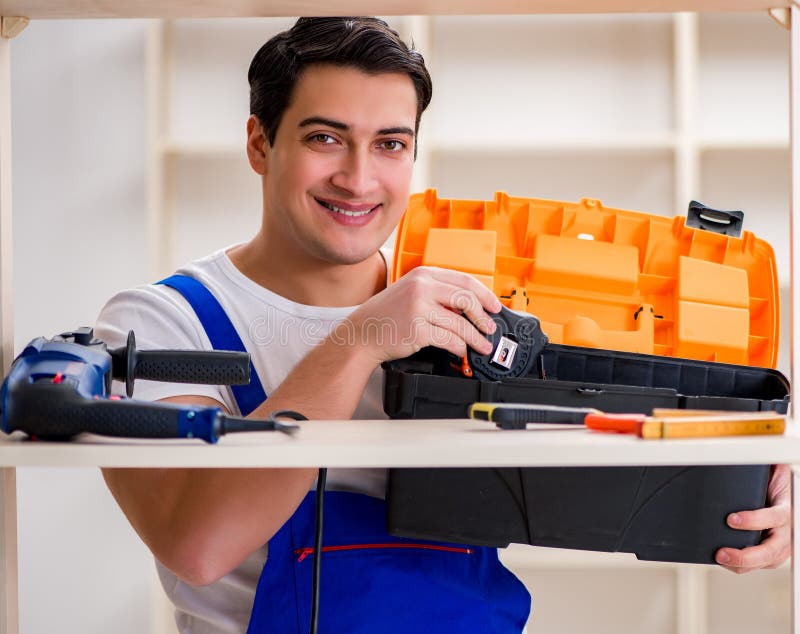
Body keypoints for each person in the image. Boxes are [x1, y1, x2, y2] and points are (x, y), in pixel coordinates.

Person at [95, 15, 791, 634]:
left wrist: (753, 484)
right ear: (259, 143)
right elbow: (198, 543)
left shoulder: (469, 306)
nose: (359, 179)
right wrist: (361, 338)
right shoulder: (159, 324)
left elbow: (600, 451)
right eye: (326, 138)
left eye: (390, 144)